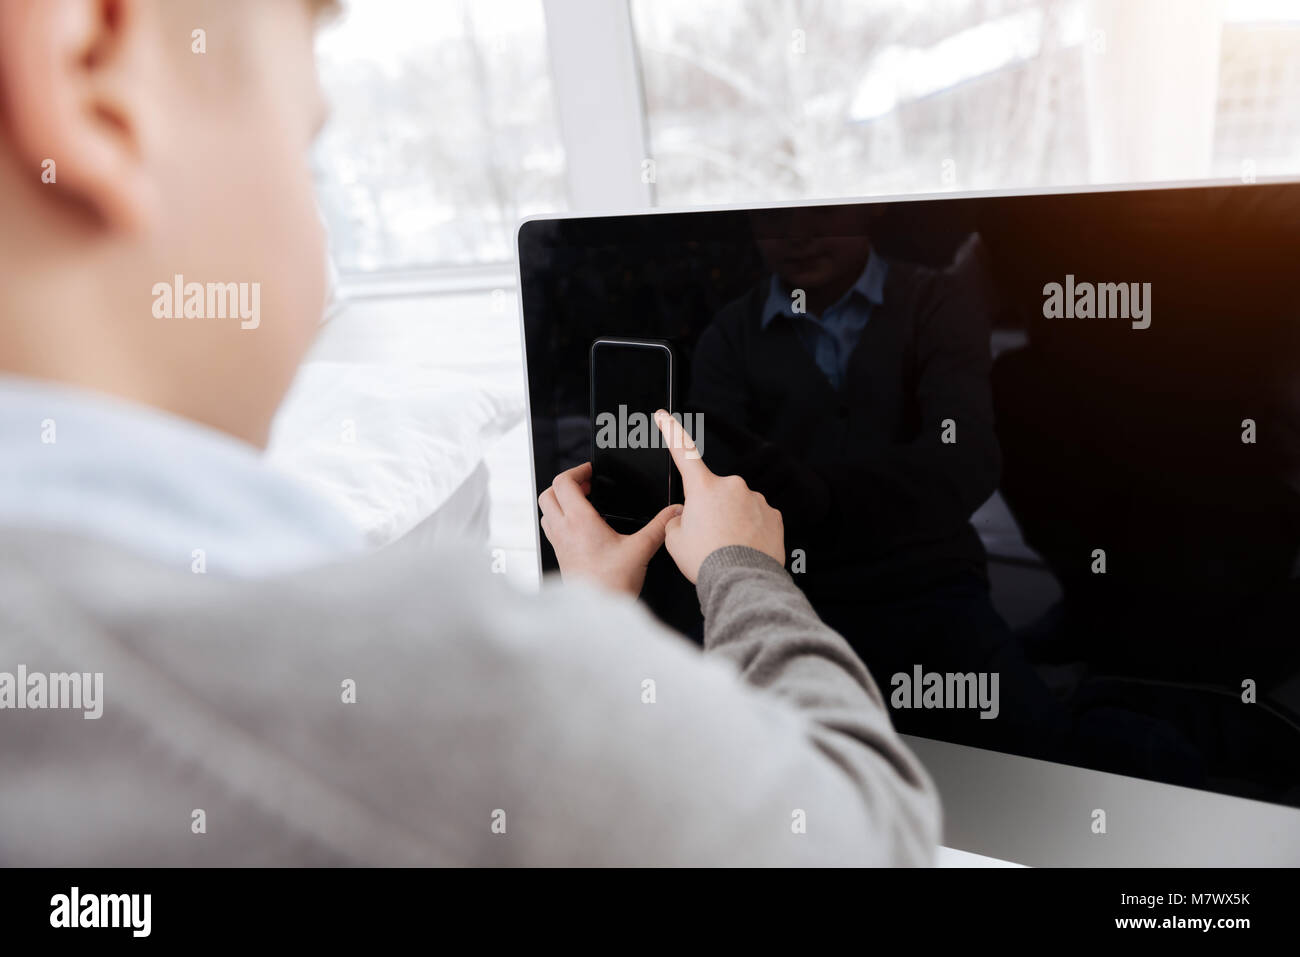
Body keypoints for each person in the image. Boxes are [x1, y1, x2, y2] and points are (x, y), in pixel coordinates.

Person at [0, 0, 938, 865]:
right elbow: (873, 840)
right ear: (87, 71)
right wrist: (746, 573)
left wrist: (596, 632)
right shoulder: (394, 670)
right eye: (304, 146)